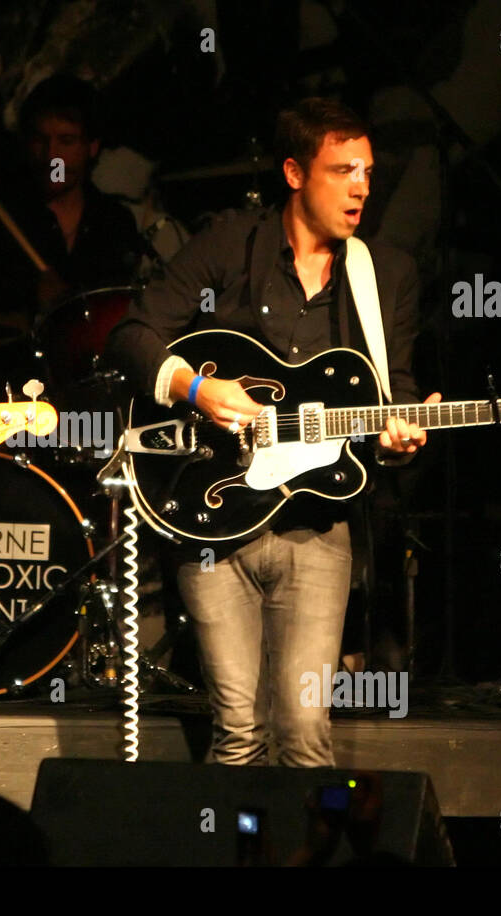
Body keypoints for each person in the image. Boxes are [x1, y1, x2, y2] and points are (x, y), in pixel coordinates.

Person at [105, 97, 440, 768]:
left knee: (307, 737)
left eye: (368, 172)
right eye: (342, 170)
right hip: (212, 515)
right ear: (294, 172)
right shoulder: (231, 242)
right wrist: (198, 389)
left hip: (318, 531)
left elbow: (391, 390)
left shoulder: (387, 274)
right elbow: (131, 334)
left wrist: (400, 434)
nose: (361, 188)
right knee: (237, 735)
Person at [0, 73, 142, 318]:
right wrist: (34, 314)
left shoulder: (114, 222)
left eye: (66, 141)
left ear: (92, 146)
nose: (51, 156)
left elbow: (121, 321)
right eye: (40, 140)